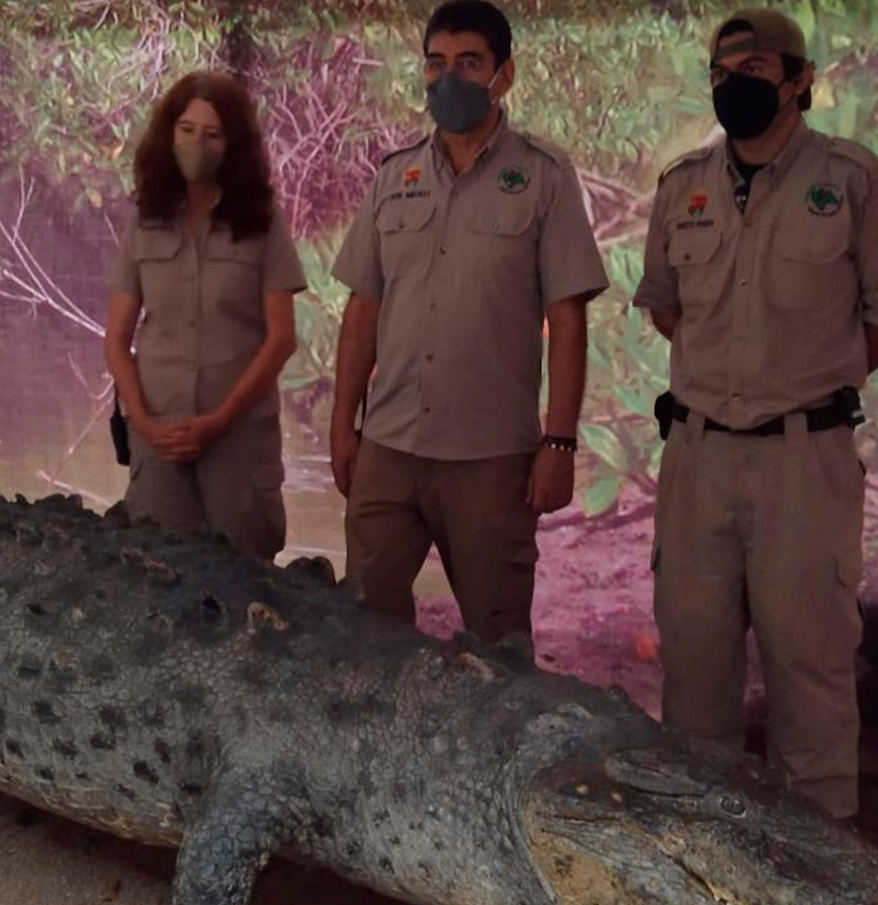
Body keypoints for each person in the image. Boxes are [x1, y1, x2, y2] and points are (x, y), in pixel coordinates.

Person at [632, 9, 878, 818]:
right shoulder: (682, 186)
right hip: (697, 458)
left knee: (809, 665)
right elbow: (667, 307)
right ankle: (704, 848)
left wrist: (807, 379)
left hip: (804, 459)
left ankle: (822, 864)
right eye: (724, 75)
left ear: (800, 80)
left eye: (757, 72)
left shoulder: (857, 183)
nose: (737, 88)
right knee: (694, 663)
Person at [329, 0, 608, 646]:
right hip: (389, 450)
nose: (448, 78)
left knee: (499, 647)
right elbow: (361, 310)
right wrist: (344, 426)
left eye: (469, 63)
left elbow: (567, 320)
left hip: (491, 461)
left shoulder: (543, 176)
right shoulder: (394, 176)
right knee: (366, 638)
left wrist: (559, 443)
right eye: (436, 63)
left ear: (503, 75)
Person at [103, 71, 308, 562]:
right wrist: (146, 426)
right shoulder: (144, 218)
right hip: (160, 442)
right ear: (169, 133)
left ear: (232, 145)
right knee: (159, 581)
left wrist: (220, 419)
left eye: (212, 135)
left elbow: (280, 339)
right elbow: (117, 341)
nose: (198, 144)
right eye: (188, 130)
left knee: (246, 581)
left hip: (238, 440)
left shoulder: (261, 220)